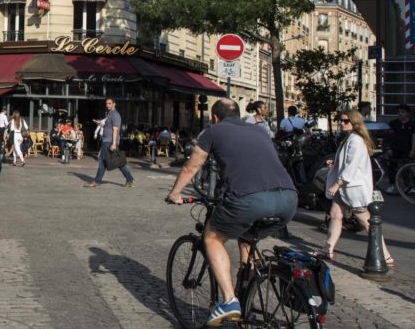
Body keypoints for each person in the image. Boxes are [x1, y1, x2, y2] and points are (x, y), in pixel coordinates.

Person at [166, 98, 297, 326]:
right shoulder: (260, 130)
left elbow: (191, 167)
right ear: (238, 113)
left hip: (248, 200)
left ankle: (229, 301)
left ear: (215, 117)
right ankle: (248, 295)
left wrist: (174, 194)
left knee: (212, 237)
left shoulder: (213, 131)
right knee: (248, 237)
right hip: (288, 199)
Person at [322, 109, 393, 264]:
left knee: (366, 221)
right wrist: (335, 163)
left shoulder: (355, 140)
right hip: (346, 188)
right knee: (335, 214)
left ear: (354, 123)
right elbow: (347, 162)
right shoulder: (349, 138)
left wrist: (336, 185)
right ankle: (328, 249)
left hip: (352, 188)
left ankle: (385, 254)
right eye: (341, 120)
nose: (342, 123)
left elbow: (351, 167)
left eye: (345, 121)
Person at [84, 98, 134, 187]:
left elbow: (115, 129)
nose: (107, 105)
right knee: (117, 161)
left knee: (103, 161)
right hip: (107, 141)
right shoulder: (110, 114)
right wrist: (100, 124)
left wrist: (114, 143)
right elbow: (109, 126)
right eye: (107, 103)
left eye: (110, 103)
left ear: (114, 104)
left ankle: (97, 181)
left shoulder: (115, 114)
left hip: (109, 142)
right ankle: (130, 179)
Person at [385, 103, 415, 195]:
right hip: (395, 148)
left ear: (407, 113)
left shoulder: (412, 124)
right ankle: (392, 185)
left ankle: (408, 186)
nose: (400, 114)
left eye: (403, 112)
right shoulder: (393, 123)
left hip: (407, 149)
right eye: (399, 112)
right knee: (392, 167)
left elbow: (413, 137)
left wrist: (413, 150)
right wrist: (388, 148)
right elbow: (389, 137)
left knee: (407, 168)